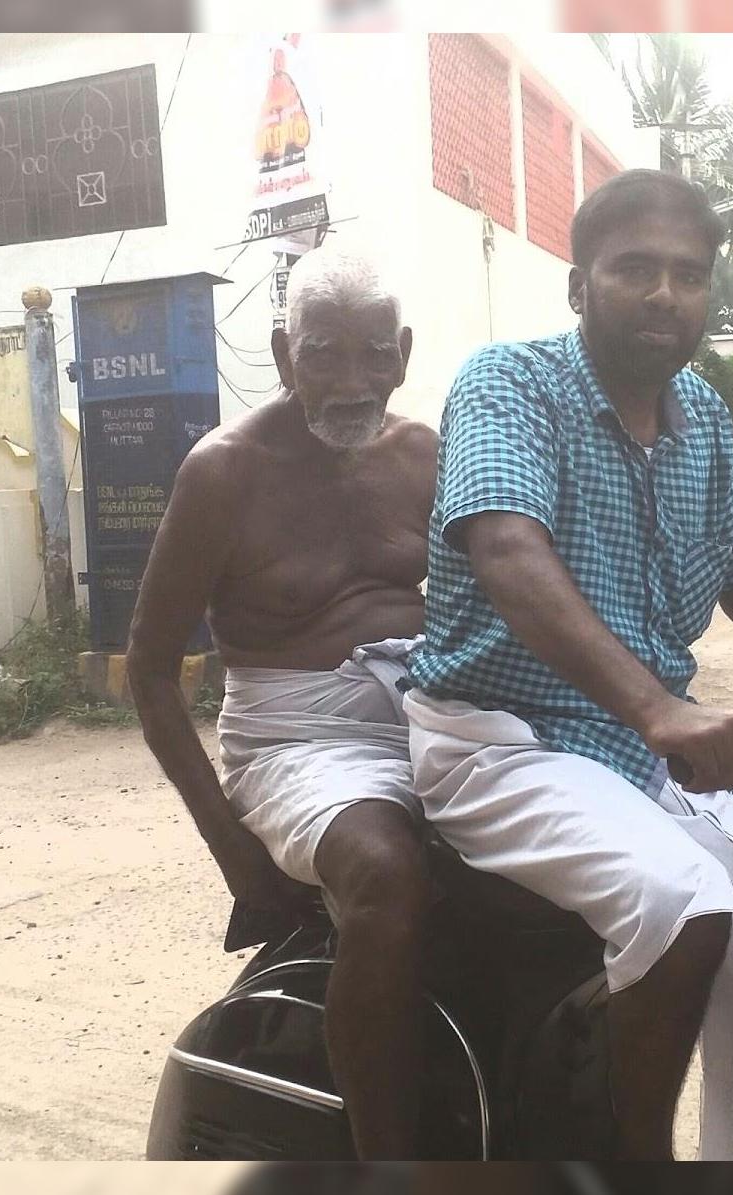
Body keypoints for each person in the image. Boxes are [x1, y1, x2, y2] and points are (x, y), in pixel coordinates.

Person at [403, 169, 733, 1160]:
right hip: (501, 741)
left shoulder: (698, 414)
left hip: (633, 750)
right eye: (636, 269)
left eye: (688, 275)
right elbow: (506, 549)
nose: (665, 294)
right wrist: (660, 709)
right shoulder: (510, 383)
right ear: (580, 285)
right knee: (684, 903)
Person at [127, 247, 438, 1159]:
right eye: (323, 353)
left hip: (429, 711)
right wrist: (234, 853)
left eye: (374, 353)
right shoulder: (224, 471)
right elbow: (150, 669)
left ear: (404, 353)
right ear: (280, 353)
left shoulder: (424, 453)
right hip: (298, 740)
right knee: (383, 873)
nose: (352, 381)